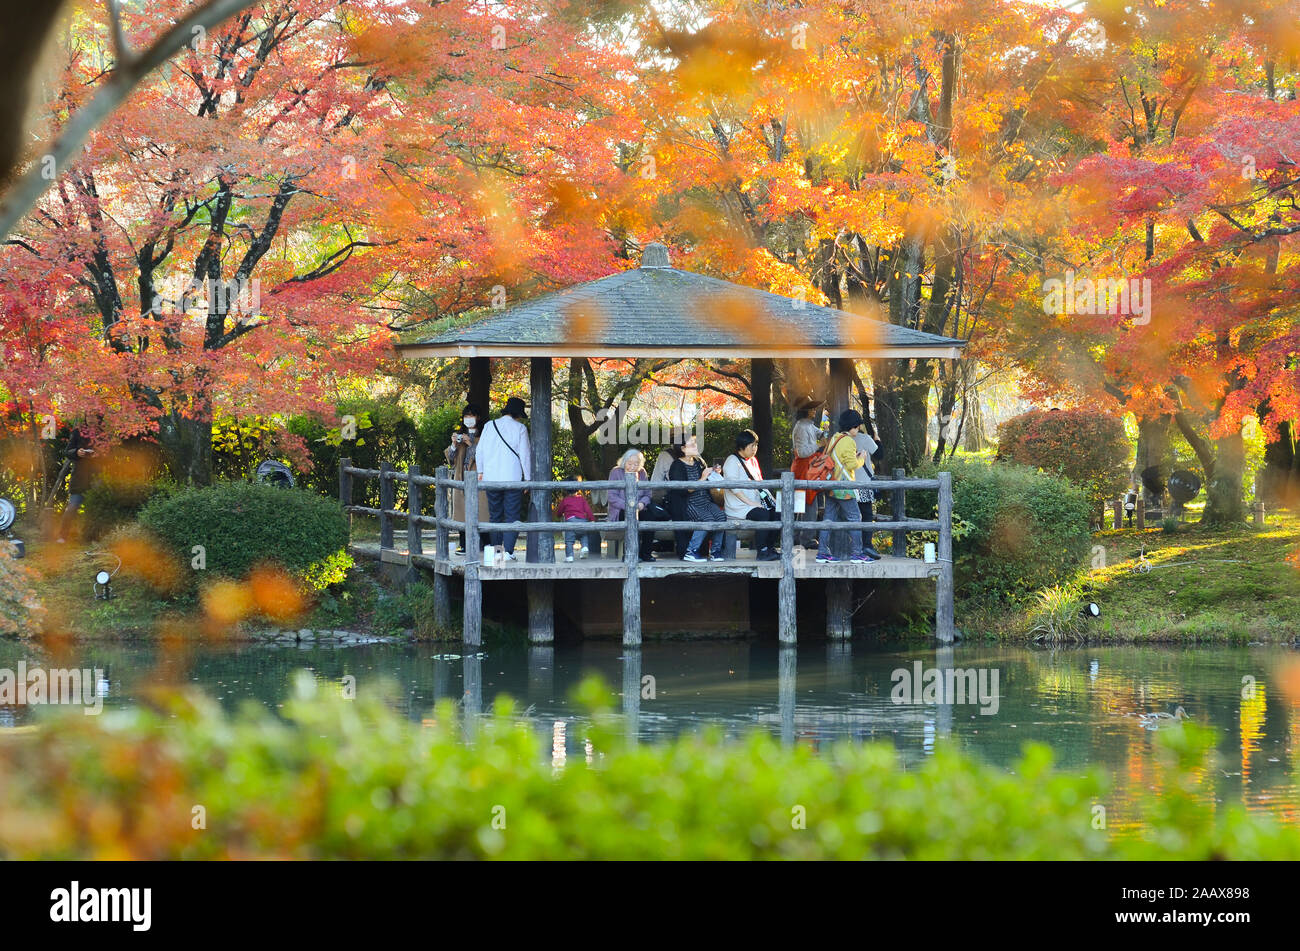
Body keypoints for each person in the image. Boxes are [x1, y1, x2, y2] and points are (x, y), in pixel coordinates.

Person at [475, 396, 531, 560]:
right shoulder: (520, 428)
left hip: (491, 478)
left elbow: (480, 451)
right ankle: (508, 552)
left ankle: (497, 552)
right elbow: (525, 455)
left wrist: (481, 472)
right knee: (512, 515)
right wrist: (527, 479)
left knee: (495, 515)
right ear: (518, 414)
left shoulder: (489, 426)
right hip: (512, 478)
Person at [817, 409, 876, 563]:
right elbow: (851, 464)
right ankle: (857, 553)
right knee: (855, 517)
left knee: (828, 519)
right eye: (857, 427)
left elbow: (839, 460)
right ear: (853, 426)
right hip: (844, 486)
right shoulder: (849, 441)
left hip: (831, 484)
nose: (858, 430)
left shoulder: (835, 438)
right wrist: (862, 458)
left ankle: (822, 552)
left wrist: (854, 457)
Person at [721, 430, 780, 560]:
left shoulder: (753, 461)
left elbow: (759, 482)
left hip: (754, 503)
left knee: (778, 512)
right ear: (742, 445)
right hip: (739, 506)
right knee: (763, 515)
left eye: (756, 445)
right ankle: (762, 551)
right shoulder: (732, 461)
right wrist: (751, 503)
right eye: (752, 445)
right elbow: (734, 488)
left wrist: (772, 499)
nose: (755, 449)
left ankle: (770, 547)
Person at [668, 434, 726, 561]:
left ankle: (715, 551)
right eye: (692, 444)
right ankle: (691, 551)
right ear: (683, 448)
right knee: (707, 519)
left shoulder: (699, 462)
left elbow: (706, 480)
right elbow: (684, 489)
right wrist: (703, 478)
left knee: (721, 516)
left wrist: (714, 474)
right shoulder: (676, 465)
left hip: (704, 500)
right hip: (688, 503)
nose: (696, 446)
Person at [606, 449, 670, 562]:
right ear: (624, 461)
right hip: (621, 510)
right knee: (631, 518)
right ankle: (630, 554)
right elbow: (612, 497)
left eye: (636, 464)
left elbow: (648, 493)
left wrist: (641, 503)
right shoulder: (616, 472)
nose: (633, 466)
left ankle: (646, 553)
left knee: (650, 519)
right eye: (630, 463)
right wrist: (629, 506)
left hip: (640, 508)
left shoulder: (642, 472)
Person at [444, 402, 483, 555]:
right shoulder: (460, 436)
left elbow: (482, 455)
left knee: (481, 512)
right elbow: (451, 459)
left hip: (478, 478)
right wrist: (454, 444)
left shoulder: (483, 436)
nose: (468, 419)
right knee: (462, 513)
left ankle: (482, 544)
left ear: (477, 418)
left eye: (471, 416)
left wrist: (471, 443)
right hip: (461, 478)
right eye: (466, 416)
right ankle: (464, 545)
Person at [790, 396, 826, 549]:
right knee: (809, 504)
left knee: (804, 504)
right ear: (805, 411)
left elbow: (819, 433)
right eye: (811, 409)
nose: (814, 411)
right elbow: (803, 452)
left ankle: (799, 536)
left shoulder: (807, 425)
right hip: (805, 468)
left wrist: (823, 435)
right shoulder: (801, 428)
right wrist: (819, 445)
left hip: (809, 468)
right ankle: (807, 538)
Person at [57, 423, 98, 543]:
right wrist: (76, 452)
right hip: (79, 477)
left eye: (93, 414)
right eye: (88, 414)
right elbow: (67, 451)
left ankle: (91, 538)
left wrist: (98, 454)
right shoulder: (78, 432)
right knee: (72, 507)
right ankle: (62, 536)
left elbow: (110, 454)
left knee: (94, 510)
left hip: (97, 476)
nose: (91, 417)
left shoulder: (103, 432)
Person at [852, 417, 883, 560]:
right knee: (866, 515)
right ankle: (866, 545)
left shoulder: (841, 439)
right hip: (863, 483)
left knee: (849, 516)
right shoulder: (865, 438)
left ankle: (851, 546)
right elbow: (879, 455)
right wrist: (877, 440)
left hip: (847, 484)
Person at [556, 485, 598, 561]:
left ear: (566, 490)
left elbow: (559, 512)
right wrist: (592, 519)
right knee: (583, 535)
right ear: (577, 489)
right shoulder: (581, 499)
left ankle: (569, 556)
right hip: (582, 521)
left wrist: (559, 515)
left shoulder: (565, 500)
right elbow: (588, 510)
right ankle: (584, 547)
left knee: (569, 541)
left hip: (571, 522)